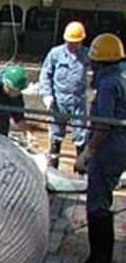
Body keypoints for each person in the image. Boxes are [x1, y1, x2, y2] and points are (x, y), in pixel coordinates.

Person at [71, 33, 125, 263]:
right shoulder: (121, 77)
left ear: (99, 62)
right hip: (120, 146)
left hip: (109, 148)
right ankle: (102, 261)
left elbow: (103, 124)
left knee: (97, 204)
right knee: (103, 201)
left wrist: (88, 153)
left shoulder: (108, 83)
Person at [40, 21, 89, 170]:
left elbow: (99, 72)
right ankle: (53, 168)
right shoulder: (55, 54)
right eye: (71, 42)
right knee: (56, 135)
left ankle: (80, 169)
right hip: (59, 100)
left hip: (78, 100)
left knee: (81, 136)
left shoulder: (87, 55)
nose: (73, 45)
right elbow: (45, 74)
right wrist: (47, 94)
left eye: (77, 42)